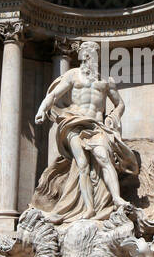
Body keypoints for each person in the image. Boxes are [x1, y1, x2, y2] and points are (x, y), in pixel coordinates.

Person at [33, 40, 138, 222]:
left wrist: (113, 117)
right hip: (74, 123)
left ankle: (116, 198)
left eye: (92, 54)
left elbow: (120, 104)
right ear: (81, 56)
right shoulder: (72, 75)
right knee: (82, 164)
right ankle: (89, 208)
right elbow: (54, 95)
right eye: (86, 54)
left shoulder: (106, 80)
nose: (88, 58)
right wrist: (41, 109)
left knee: (104, 157)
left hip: (97, 125)